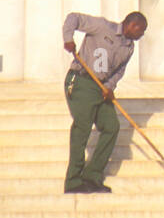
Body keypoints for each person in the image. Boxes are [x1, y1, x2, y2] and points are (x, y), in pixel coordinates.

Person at [60, 11, 147, 193]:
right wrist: (68, 38)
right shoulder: (102, 26)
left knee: (111, 126)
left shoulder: (129, 47)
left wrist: (109, 87)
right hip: (81, 80)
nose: (142, 34)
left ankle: (92, 176)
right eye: (141, 30)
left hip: (100, 88)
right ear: (132, 24)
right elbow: (73, 18)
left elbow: (119, 71)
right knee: (82, 126)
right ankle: (73, 181)